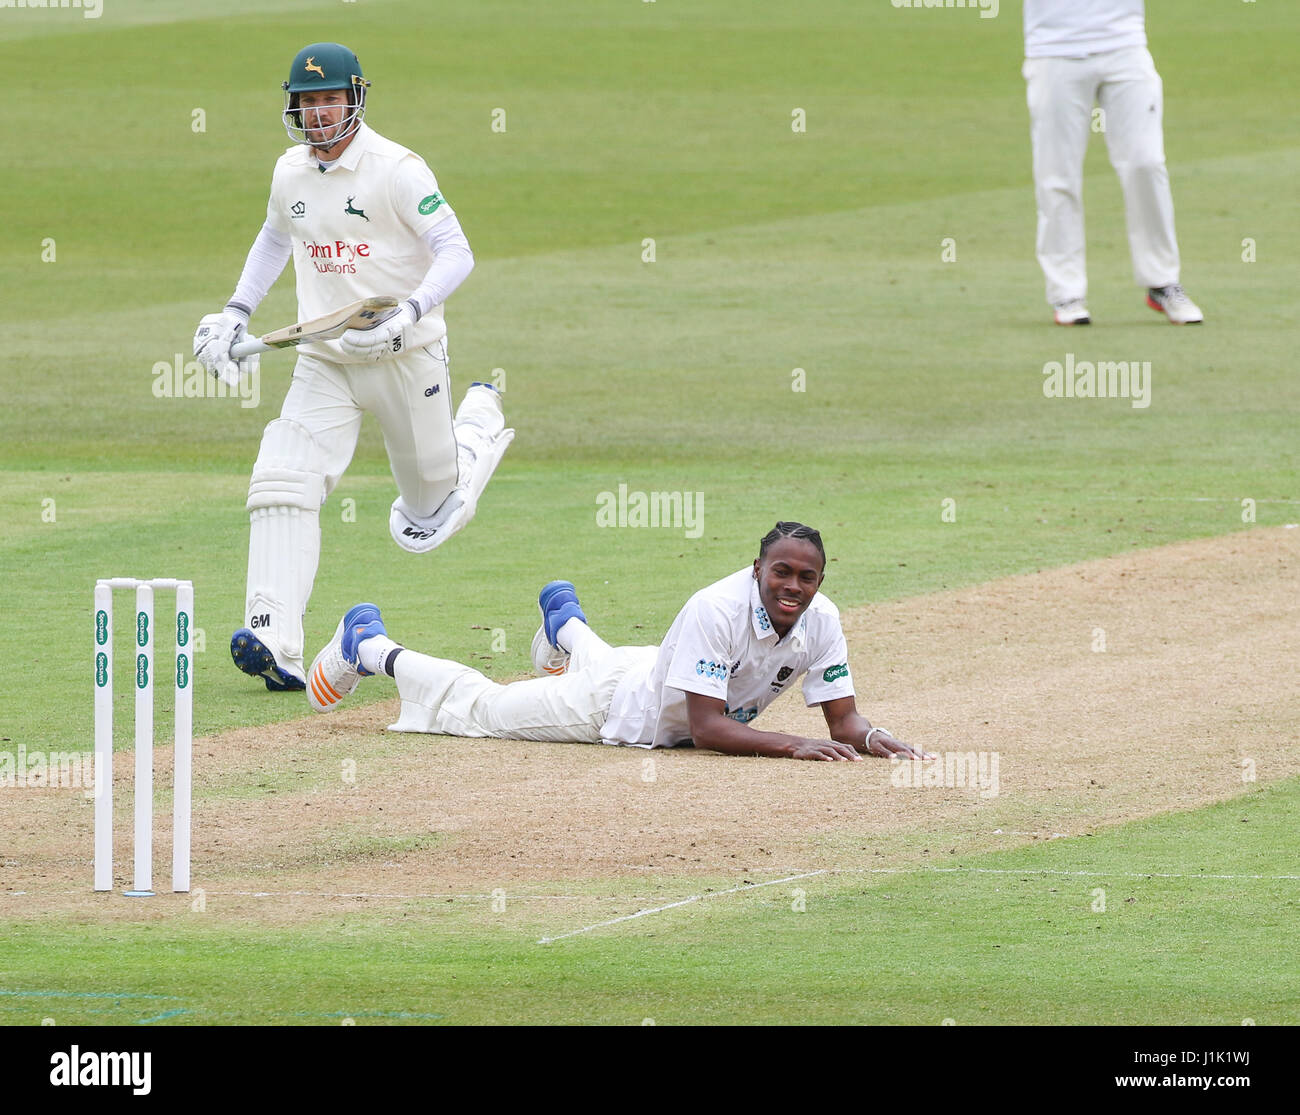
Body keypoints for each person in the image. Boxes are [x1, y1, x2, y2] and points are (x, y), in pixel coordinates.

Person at [192, 42, 513, 692]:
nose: (318, 113)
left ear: (355, 99)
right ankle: (274, 639)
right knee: (282, 477)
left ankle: (475, 429)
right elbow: (275, 237)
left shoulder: (397, 169)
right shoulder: (289, 172)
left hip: (406, 355)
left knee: (426, 519)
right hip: (325, 359)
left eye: (329, 99)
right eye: (307, 101)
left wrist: (410, 311)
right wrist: (235, 311)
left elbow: (457, 250)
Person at [305, 521, 934, 764]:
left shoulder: (823, 619)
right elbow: (707, 730)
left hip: (651, 670)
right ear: (756, 570)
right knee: (481, 709)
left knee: (621, 667)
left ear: (821, 580)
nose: (793, 587)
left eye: (807, 577)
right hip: (613, 707)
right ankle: (369, 645)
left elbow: (843, 720)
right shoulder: (714, 609)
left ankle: (564, 623)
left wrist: (873, 738)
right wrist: (793, 744)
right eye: (781, 572)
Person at [1022, 0, 1203, 325]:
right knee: (1058, 175)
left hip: (1124, 43)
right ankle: (1066, 292)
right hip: (1054, 48)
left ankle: (1162, 282)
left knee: (1145, 162)